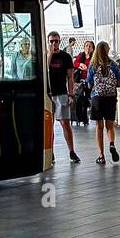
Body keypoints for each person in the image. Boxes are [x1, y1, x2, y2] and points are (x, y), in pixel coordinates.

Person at [86, 42, 120, 164]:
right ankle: (111, 144)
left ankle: (101, 156)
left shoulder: (93, 65)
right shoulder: (113, 64)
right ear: (107, 50)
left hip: (97, 98)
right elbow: (119, 82)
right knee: (110, 126)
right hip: (110, 98)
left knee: (99, 127)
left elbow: (89, 84)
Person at [46, 32, 80, 165]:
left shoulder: (65, 57)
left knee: (65, 123)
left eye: (56, 41)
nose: (54, 44)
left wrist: (71, 94)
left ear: (60, 42)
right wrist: (50, 54)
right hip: (48, 95)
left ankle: (71, 151)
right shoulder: (46, 56)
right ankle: (50, 153)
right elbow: (46, 70)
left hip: (61, 93)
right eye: (51, 41)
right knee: (49, 126)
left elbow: (70, 77)